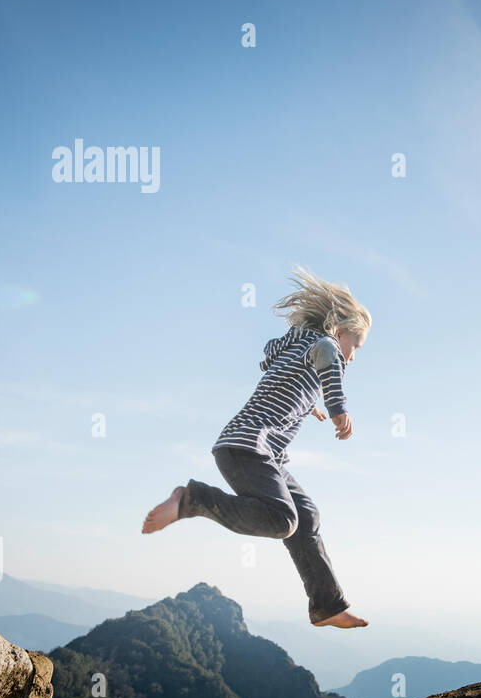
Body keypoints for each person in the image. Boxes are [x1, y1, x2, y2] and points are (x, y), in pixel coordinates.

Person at [141, 265, 370, 629]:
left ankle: (327, 605)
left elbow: (270, 359)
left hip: (263, 454)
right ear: (339, 331)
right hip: (247, 448)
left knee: (306, 516)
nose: (353, 357)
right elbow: (329, 358)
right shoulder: (325, 346)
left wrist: (305, 399)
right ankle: (191, 499)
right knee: (284, 520)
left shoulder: (297, 346)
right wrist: (337, 408)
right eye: (355, 346)